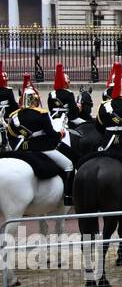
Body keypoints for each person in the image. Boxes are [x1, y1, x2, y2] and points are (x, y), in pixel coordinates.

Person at [5, 74, 75, 203]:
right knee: (69, 166)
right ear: (35, 100)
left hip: (21, 148)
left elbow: (10, 135)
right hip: (41, 148)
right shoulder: (41, 114)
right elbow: (51, 133)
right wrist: (61, 134)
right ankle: (67, 196)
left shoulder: (14, 116)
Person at [47, 62, 90, 131]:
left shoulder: (51, 94)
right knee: (87, 125)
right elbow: (73, 110)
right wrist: (79, 108)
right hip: (69, 119)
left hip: (53, 118)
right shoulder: (69, 93)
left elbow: (50, 108)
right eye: (67, 83)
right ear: (65, 83)